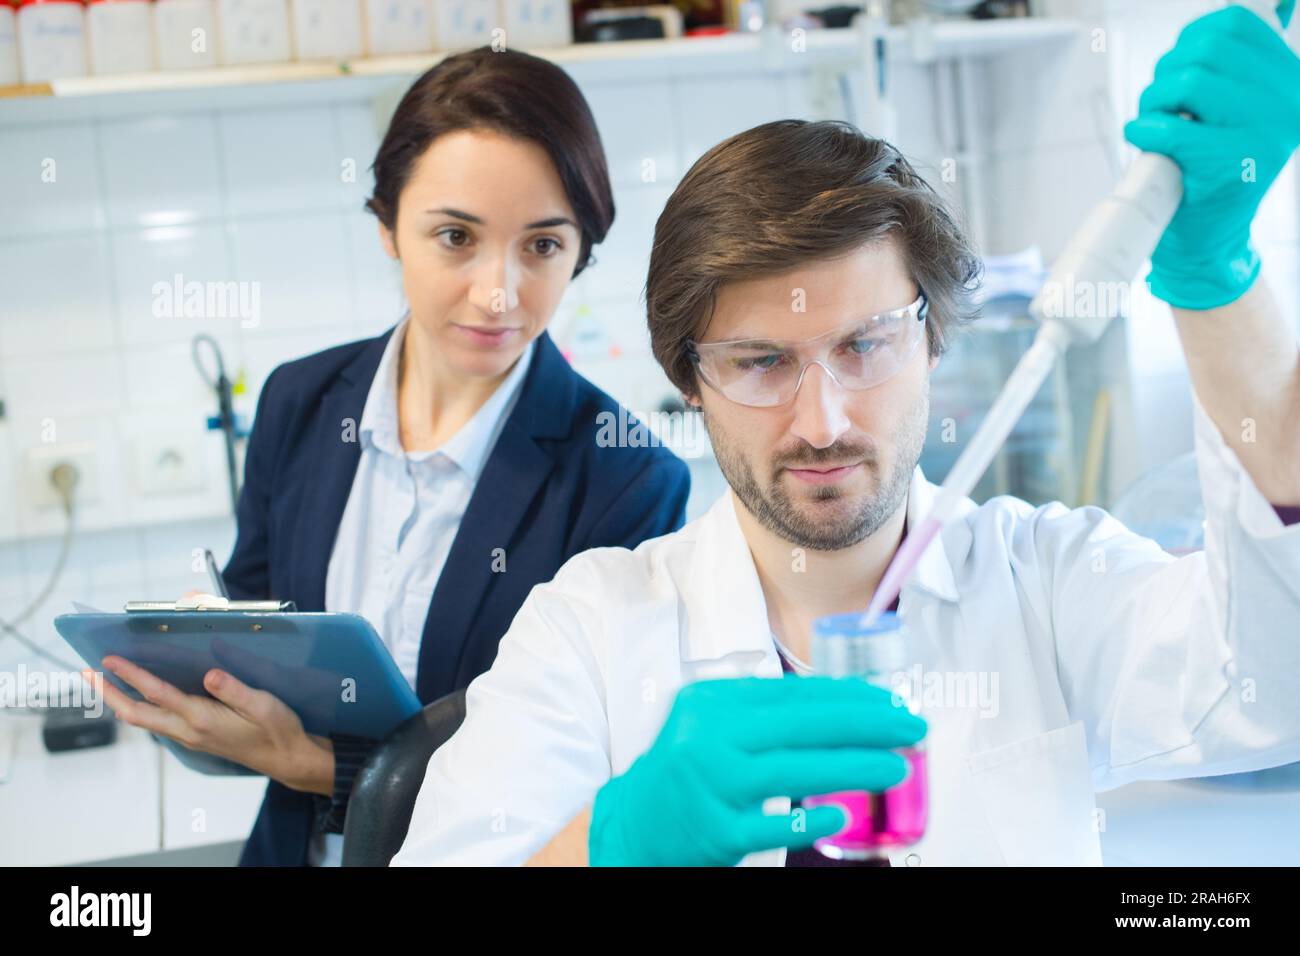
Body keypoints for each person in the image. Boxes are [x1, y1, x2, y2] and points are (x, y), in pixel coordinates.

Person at [391, 4, 1300, 867]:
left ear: (933, 340)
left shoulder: (1046, 583)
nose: (821, 423)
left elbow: (1271, 685)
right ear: (689, 381)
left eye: (865, 344)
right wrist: (612, 844)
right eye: (758, 362)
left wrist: (1214, 269)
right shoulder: (587, 630)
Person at [88, 48, 691, 867]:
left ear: (580, 249)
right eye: (455, 237)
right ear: (386, 227)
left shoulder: (625, 479)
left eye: (542, 246)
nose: (498, 293)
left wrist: (315, 766)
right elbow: (259, 624)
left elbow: (577, 765)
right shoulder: (299, 403)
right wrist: (199, 675)